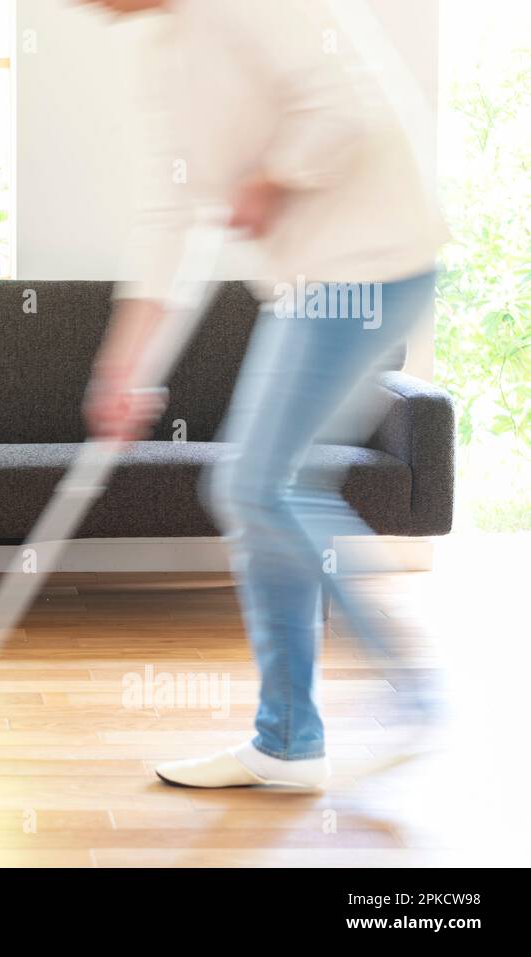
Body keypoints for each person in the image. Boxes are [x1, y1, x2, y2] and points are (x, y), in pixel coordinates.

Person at [80, 0, 450, 787]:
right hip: (309, 280)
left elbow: (344, 103)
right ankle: (287, 740)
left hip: (373, 262)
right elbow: (167, 215)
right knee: (259, 490)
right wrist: (125, 366)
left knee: (252, 484)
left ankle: (404, 698)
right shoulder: (163, 52)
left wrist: (273, 176)